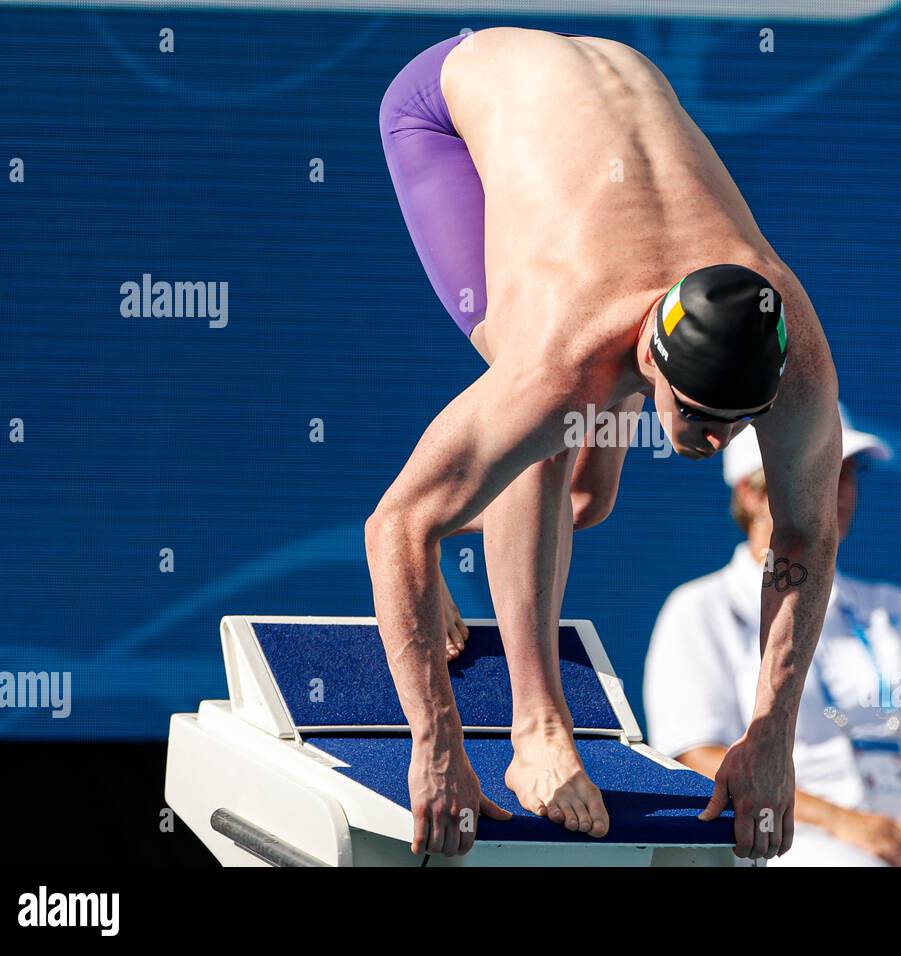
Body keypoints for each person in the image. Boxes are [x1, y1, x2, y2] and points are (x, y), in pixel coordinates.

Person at [366, 28, 842, 860]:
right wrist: (436, 745)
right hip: (446, 103)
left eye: (737, 420)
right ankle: (535, 725)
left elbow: (805, 535)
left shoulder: (795, 351)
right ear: (649, 354)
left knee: (588, 500)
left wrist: (773, 737)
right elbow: (390, 525)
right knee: (538, 444)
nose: (713, 440)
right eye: (697, 413)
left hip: (615, 86)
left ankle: (461, 507)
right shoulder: (567, 352)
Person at [644, 409, 901, 866]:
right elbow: (694, 755)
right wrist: (846, 823)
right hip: (794, 837)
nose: (838, 489)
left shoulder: (895, 607)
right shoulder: (701, 608)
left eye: (847, 473)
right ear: (750, 492)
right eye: (820, 470)